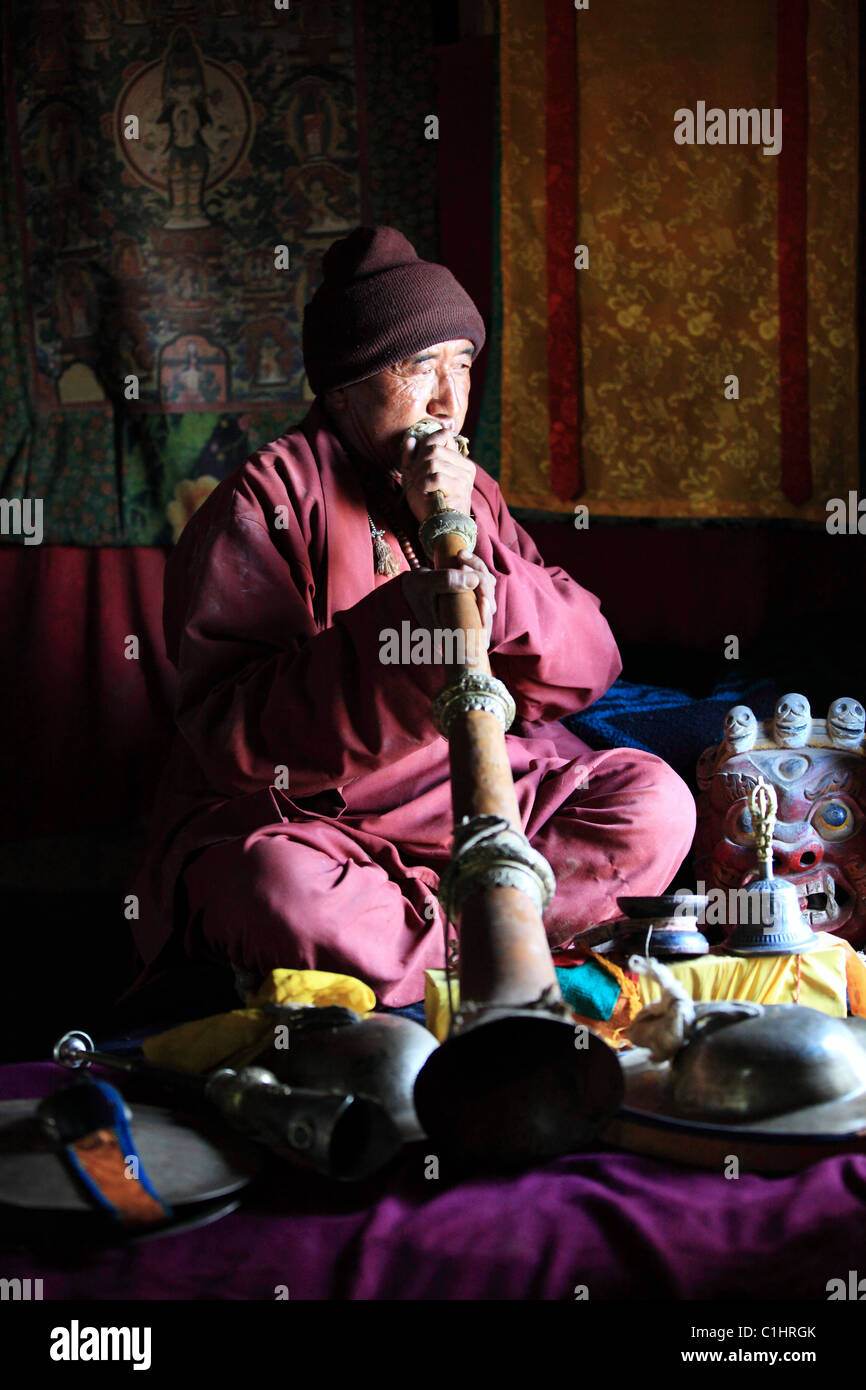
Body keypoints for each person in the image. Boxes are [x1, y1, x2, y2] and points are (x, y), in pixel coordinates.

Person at [133, 226, 695, 1007]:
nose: (447, 401)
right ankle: (500, 949)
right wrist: (409, 639)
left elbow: (592, 660)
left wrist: (495, 595)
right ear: (341, 388)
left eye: (461, 364)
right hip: (326, 819)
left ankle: (432, 950)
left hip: (476, 788)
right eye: (418, 367)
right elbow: (232, 735)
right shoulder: (261, 503)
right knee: (277, 890)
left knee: (655, 804)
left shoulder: (469, 491)